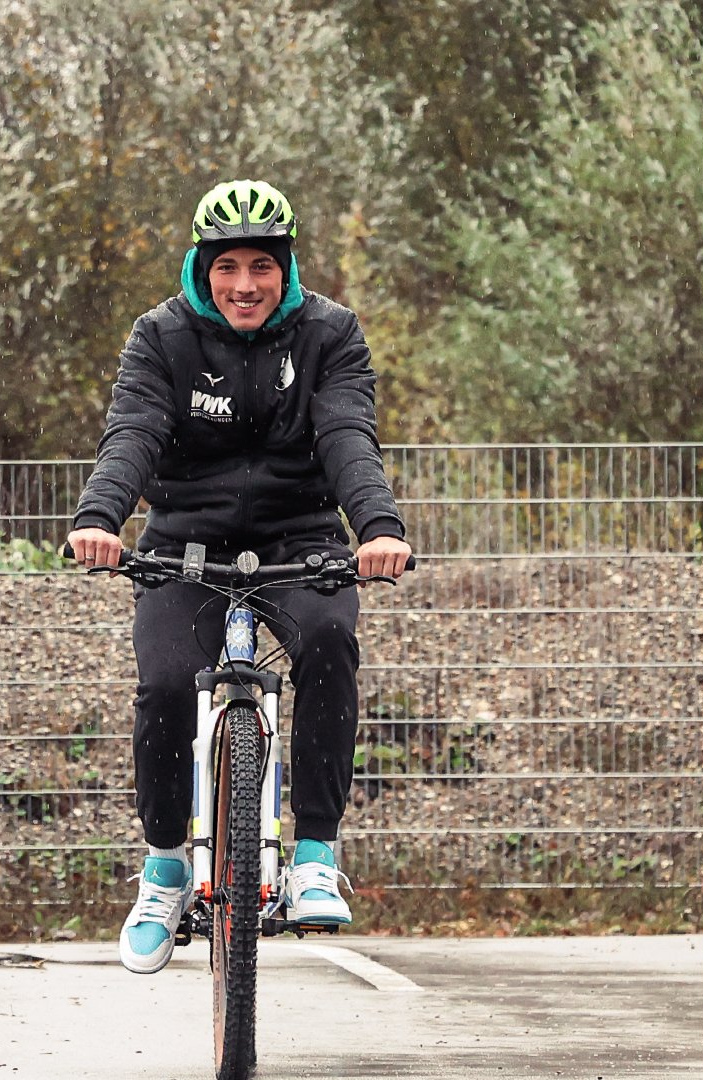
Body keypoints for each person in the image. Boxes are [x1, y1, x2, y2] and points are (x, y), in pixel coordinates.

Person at [67, 179, 412, 974]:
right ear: (202, 267)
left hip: (301, 538)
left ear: (286, 267)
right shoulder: (161, 336)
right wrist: (100, 517)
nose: (245, 284)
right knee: (163, 686)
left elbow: (347, 434)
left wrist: (378, 528)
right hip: (185, 543)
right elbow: (134, 431)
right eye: (228, 266)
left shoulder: (330, 334)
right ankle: (164, 868)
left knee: (329, 643)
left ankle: (316, 852)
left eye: (262, 265)